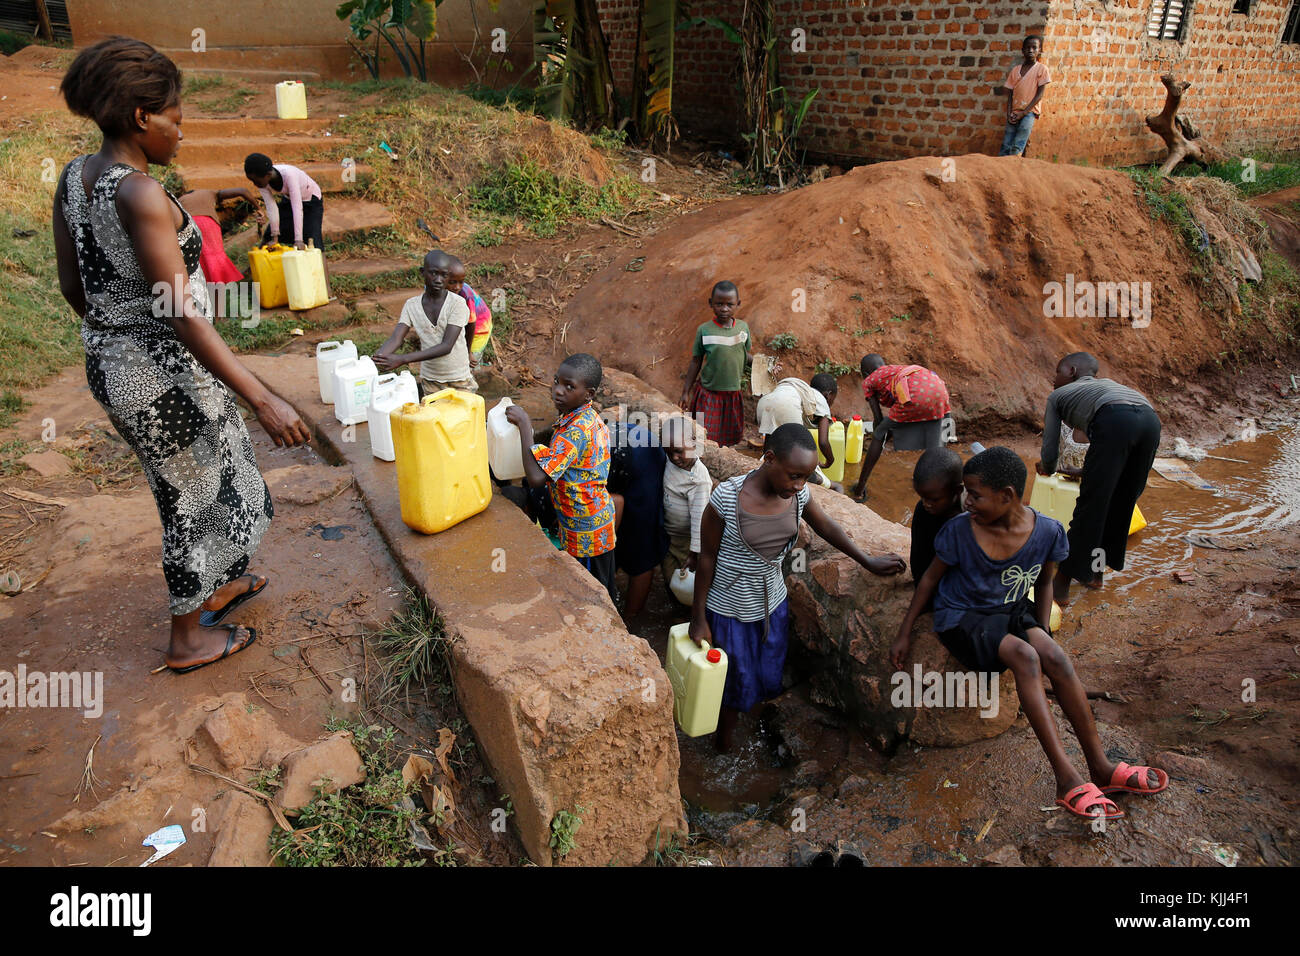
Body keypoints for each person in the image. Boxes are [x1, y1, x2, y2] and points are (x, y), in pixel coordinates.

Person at [53, 37, 310, 674]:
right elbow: (181, 312)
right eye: (176, 118)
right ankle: (186, 640)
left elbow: (73, 287)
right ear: (142, 118)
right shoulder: (139, 193)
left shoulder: (76, 177)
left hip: (129, 366)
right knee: (189, 494)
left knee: (219, 469)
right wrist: (263, 397)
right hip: (161, 375)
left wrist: (120, 340)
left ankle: (216, 587)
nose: (182, 132)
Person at [893, 447, 1167, 820]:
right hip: (962, 616)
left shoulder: (1048, 532)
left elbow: (1044, 582)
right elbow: (928, 581)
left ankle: (1100, 767)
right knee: (1027, 658)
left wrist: (1040, 629)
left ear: (1006, 496)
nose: (966, 502)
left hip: (1009, 610)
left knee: (1054, 656)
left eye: (974, 495)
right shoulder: (959, 530)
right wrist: (905, 632)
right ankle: (1066, 779)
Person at [691, 424, 905, 751]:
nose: (799, 485)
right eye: (793, 475)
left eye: (805, 477)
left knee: (766, 671)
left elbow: (826, 526)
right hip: (730, 609)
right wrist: (699, 618)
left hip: (773, 603)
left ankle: (758, 732)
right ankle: (723, 746)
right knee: (734, 682)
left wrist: (866, 560)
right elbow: (706, 558)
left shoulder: (799, 495)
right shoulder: (728, 498)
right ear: (769, 458)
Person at [1036, 352, 1161, 604]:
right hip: (1150, 421)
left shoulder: (1058, 396)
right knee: (1121, 503)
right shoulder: (1108, 388)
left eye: (1057, 372)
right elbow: (1110, 444)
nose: (1053, 379)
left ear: (1071, 371)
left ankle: (1060, 587)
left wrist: (1047, 467)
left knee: (1089, 509)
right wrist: (1088, 473)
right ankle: (1095, 574)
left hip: (1116, 421)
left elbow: (1050, 447)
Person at [504, 354, 618, 602]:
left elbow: (535, 478)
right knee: (596, 587)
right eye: (557, 382)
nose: (558, 391)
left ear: (589, 393)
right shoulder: (580, 417)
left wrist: (526, 426)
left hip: (586, 530)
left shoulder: (575, 431)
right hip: (591, 518)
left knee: (591, 597)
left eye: (569, 387)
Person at [371, 250, 478, 395]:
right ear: (422, 272)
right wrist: (378, 359)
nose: (438, 279)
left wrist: (402, 359)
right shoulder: (411, 305)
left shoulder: (457, 304)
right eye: (433, 273)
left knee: (463, 416)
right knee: (434, 417)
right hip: (431, 380)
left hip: (460, 379)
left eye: (444, 275)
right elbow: (396, 338)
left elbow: (446, 346)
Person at [852, 354, 953, 499]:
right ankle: (939, 489)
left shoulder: (869, 380)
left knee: (880, 434)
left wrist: (880, 434)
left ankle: (859, 490)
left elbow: (879, 419)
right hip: (939, 389)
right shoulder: (895, 371)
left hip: (916, 395)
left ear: (866, 374)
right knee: (935, 444)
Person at [242, 151, 331, 296]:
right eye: (252, 180)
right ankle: (252, 274)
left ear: (267, 175)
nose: (255, 184)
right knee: (268, 236)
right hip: (289, 200)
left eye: (256, 180)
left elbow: (298, 207)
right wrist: (275, 236)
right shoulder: (263, 182)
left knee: (315, 241)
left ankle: (327, 290)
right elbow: (271, 207)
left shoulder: (289, 175)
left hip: (311, 201)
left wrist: (298, 240)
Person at [607, 420, 669, 619]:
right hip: (627, 451)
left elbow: (614, 503)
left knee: (641, 546)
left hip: (641, 461)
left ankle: (631, 618)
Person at [678, 281, 750, 447]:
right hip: (708, 394)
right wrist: (685, 391)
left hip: (732, 393)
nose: (724, 309)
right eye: (719, 304)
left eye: (729, 304)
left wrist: (766, 366)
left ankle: (720, 465)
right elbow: (696, 360)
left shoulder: (743, 329)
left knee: (729, 438)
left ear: (737, 304)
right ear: (711, 303)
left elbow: (744, 355)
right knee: (704, 435)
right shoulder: (704, 330)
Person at [756, 372, 841, 491]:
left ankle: (765, 481)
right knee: (796, 455)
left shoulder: (801, 392)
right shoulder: (821, 401)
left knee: (771, 448)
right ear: (828, 395)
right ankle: (813, 480)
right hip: (787, 406)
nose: (831, 403)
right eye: (833, 399)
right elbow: (823, 442)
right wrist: (830, 461)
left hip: (765, 402)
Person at [659, 415, 712, 591]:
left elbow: (700, 521)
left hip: (686, 541)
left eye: (679, 451)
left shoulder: (698, 480)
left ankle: (687, 611)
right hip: (668, 534)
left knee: (683, 581)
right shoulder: (672, 461)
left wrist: (694, 553)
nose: (674, 458)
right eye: (669, 452)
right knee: (668, 573)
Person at [909, 447, 964, 612]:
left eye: (933, 499)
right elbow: (918, 561)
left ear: (958, 491)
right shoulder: (924, 512)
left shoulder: (971, 516)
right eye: (922, 497)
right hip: (935, 588)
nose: (926, 503)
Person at [176, 187, 260, 285]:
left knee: (199, 258)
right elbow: (243, 191)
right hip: (208, 223)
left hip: (188, 226)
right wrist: (258, 208)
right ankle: (218, 285)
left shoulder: (179, 200)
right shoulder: (209, 192)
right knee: (215, 254)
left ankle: (203, 287)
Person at [999, 35, 1050, 157]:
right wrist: (1009, 113)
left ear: (1040, 50)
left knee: (1018, 143)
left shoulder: (1041, 69)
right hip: (1014, 112)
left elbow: (1040, 94)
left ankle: (1014, 170)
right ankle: (1000, 170)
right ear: (1022, 50)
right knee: (1006, 143)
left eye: (1034, 48)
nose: (1031, 50)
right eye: (1027, 47)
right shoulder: (1016, 70)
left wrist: (1025, 112)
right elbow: (1010, 93)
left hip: (1029, 112)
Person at [447, 255, 493, 368]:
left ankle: (477, 377)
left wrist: (468, 352)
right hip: (461, 325)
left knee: (469, 364)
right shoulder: (435, 287)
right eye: (452, 282)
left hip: (479, 329)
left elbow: (471, 324)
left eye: (461, 282)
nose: (457, 287)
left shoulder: (465, 295)